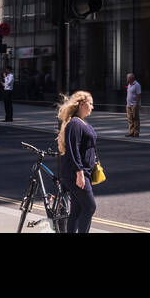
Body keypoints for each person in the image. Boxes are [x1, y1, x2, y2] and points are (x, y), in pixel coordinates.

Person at [57, 91, 98, 233]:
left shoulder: (81, 122)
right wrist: (79, 173)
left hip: (81, 172)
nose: (92, 107)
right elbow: (73, 150)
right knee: (89, 206)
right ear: (81, 104)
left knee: (77, 208)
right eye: (90, 103)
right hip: (76, 174)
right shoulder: (75, 124)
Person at [125, 72, 141, 137]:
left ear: (131, 78)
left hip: (134, 105)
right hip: (128, 105)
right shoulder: (129, 85)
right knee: (130, 119)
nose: (126, 79)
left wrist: (136, 104)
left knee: (136, 119)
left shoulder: (137, 85)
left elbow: (139, 95)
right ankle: (131, 132)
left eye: (127, 78)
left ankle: (136, 133)